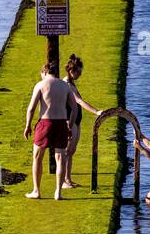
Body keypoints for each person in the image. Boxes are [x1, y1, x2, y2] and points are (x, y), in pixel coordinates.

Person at [23, 60, 102, 200]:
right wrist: (70, 125)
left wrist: (28, 126)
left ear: (45, 72)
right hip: (61, 124)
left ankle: (36, 190)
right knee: (60, 158)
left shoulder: (41, 85)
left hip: (45, 123)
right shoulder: (64, 86)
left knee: (37, 157)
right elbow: (75, 108)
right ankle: (58, 192)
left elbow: (31, 108)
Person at [60, 54, 101, 189]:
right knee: (67, 151)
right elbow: (79, 101)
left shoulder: (72, 83)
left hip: (76, 120)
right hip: (69, 121)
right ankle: (63, 182)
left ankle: (68, 179)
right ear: (72, 71)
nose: (80, 75)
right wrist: (96, 112)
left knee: (72, 151)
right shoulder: (67, 84)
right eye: (79, 72)